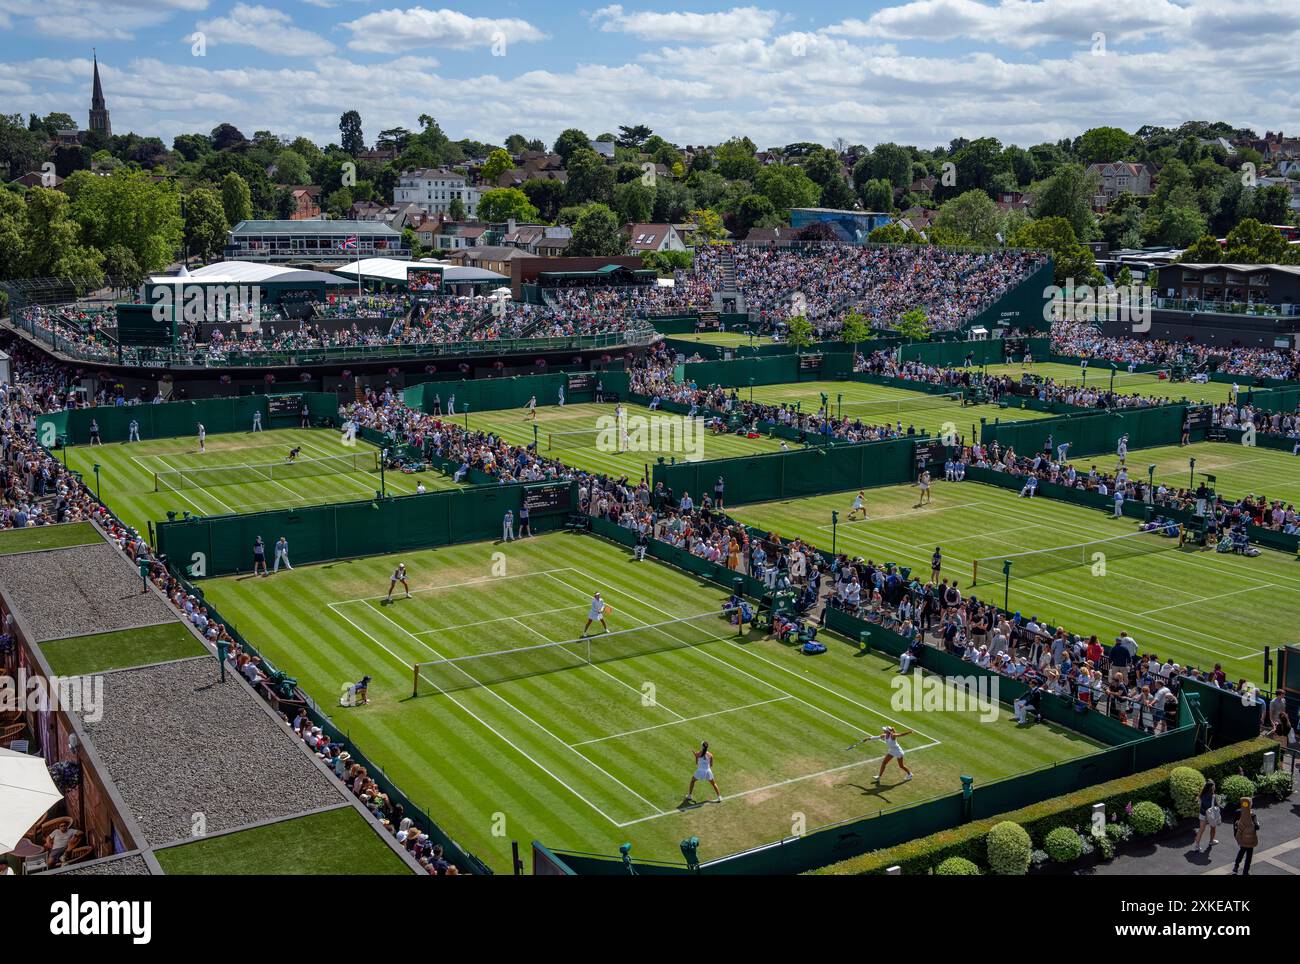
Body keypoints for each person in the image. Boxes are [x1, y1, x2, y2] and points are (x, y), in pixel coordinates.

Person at [1232, 798, 1259, 875]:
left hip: (1241, 838)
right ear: (1250, 805)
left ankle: (1236, 866)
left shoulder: (1238, 813)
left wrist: (1236, 836)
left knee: (1241, 851)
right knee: (1249, 856)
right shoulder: (1252, 815)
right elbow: (1257, 827)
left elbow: (1234, 826)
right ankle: (1245, 872)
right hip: (1250, 839)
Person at [1193, 779, 1220, 853]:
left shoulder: (1202, 795)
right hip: (1211, 815)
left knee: (1201, 830)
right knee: (1213, 827)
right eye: (1214, 786)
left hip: (1202, 814)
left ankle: (1197, 846)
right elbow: (1217, 806)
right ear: (1211, 788)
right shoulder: (1213, 797)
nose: (1215, 787)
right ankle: (1211, 841)